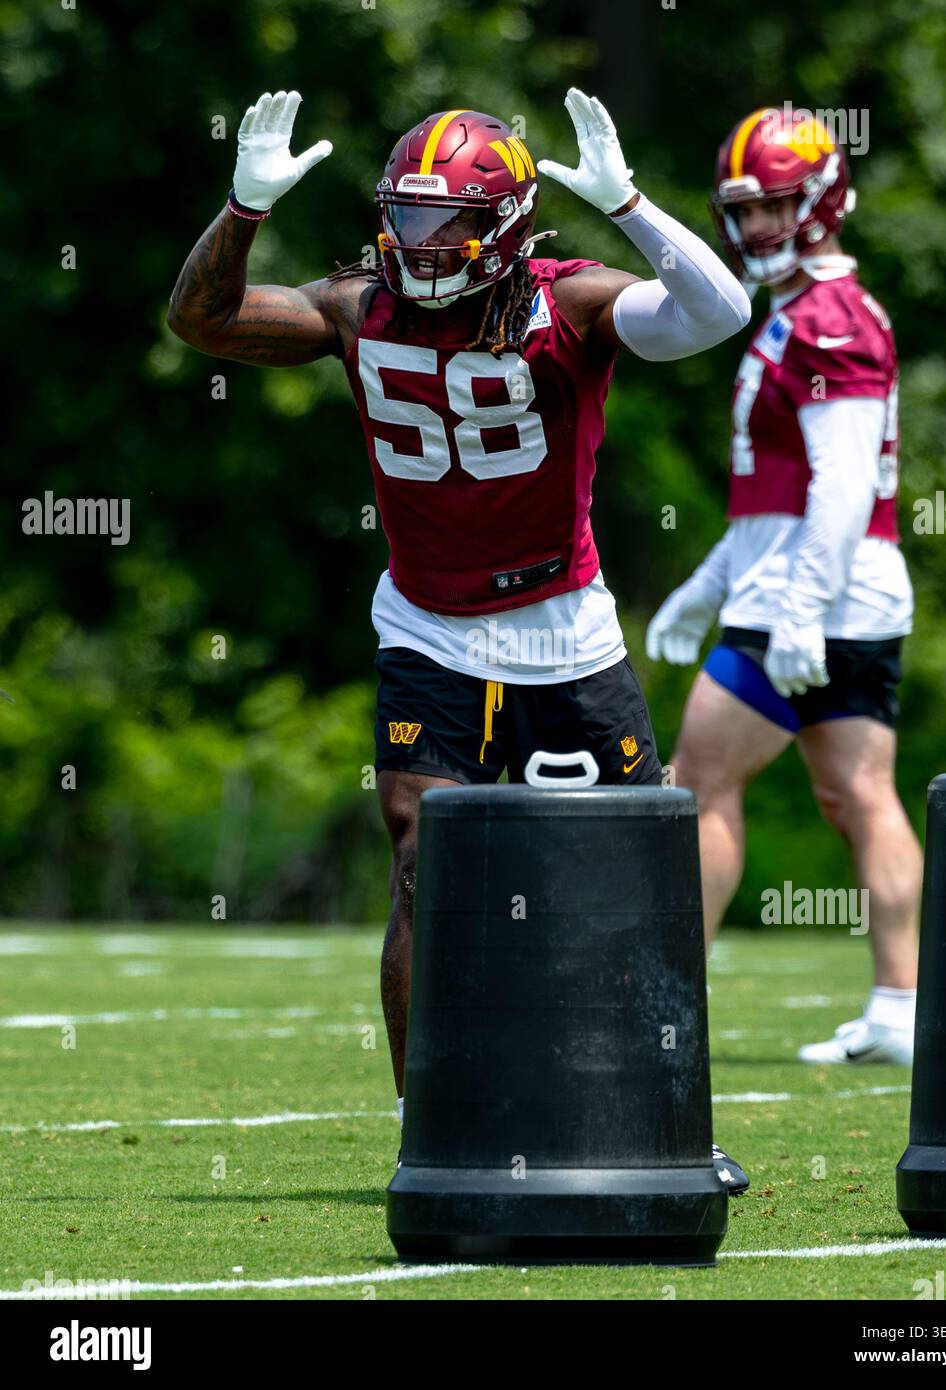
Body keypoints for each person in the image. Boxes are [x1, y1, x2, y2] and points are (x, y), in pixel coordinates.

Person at [168, 88, 753, 1183]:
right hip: (427, 626)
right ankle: (432, 1128)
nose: (425, 248)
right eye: (409, 219)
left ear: (513, 227)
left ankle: (668, 1122)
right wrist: (243, 210)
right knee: (417, 862)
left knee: (632, 878)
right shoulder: (356, 306)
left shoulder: (566, 302)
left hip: (562, 631)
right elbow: (200, 324)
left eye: (452, 225)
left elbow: (717, 314)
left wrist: (627, 202)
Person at [646, 107, 922, 1066]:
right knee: (855, 794)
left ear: (822, 199)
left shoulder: (829, 319)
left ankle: (658, 1003)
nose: (758, 226)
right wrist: (702, 583)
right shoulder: (806, 314)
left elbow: (841, 485)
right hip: (842, 591)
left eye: (774, 205)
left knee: (699, 780)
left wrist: (799, 608)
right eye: (744, 208)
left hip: (812, 598)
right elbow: (779, 500)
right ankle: (899, 1011)